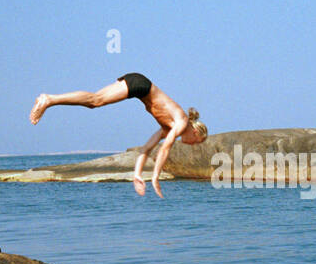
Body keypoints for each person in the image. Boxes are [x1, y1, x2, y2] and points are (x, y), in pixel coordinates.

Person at [30, 72, 208, 197]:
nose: (192, 144)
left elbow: (146, 149)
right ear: (195, 131)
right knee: (96, 100)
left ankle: (50, 99)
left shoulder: (169, 128)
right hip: (141, 85)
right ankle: (49, 99)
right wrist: (155, 178)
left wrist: (137, 175)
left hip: (139, 85)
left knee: (94, 101)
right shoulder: (180, 122)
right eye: (196, 141)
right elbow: (164, 150)